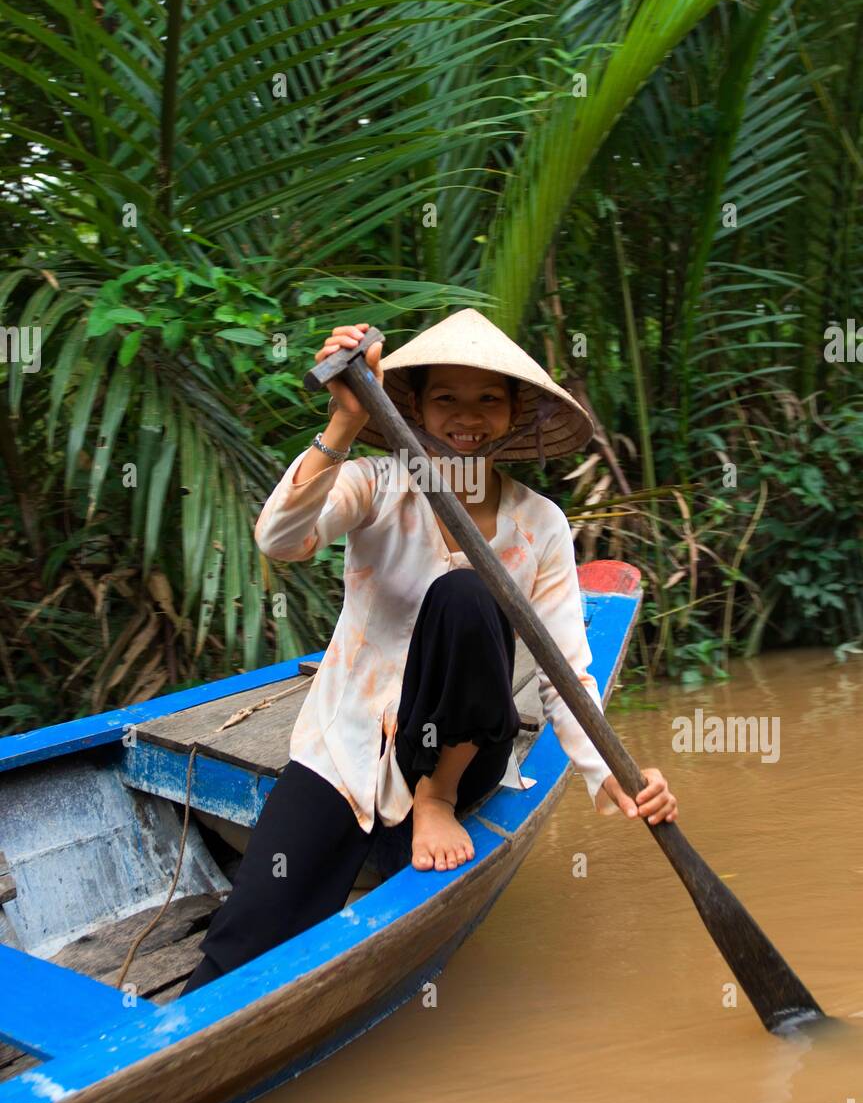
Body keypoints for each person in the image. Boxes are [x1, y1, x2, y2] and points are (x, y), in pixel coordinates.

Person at [180, 309, 677, 994]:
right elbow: (280, 540)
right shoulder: (373, 483)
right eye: (446, 398)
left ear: (511, 415)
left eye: (486, 401)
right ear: (413, 404)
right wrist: (345, 422)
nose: (465, 418)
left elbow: (565, 668)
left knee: (466, 595)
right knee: (240, 945)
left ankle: (432, 801)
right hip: (347, 745)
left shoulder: (540, 524)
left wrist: (610, 773)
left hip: (462, 753)